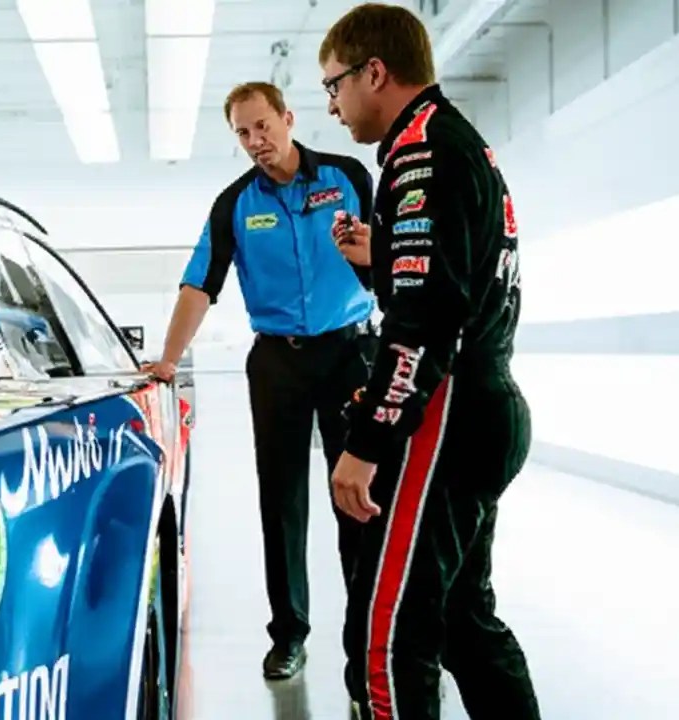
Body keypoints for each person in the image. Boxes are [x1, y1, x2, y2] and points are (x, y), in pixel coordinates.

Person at [317, 4, 541, 719]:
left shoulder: (420, 153)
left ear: (374, 72)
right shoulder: (459, 144)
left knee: (389, 641)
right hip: (488, 403)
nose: (331, 105)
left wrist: (368, 442)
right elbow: (449, 283)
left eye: (334, 85)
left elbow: (423, 323)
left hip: (443, 417)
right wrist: (377, 259)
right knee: (465, 625)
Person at [141, 81, 378, 680]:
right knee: (281, 500)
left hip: (350, 354)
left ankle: (364, 643)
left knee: (356, 498)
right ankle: (290, 634)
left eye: (262, 126)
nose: (255, 141)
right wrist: (169, 359)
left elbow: (389, 254)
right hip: (277, 363)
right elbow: (201, 283)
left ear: (287, 119)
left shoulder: (347, 176)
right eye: (243, 133)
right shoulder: (235, 205)